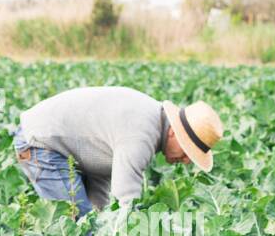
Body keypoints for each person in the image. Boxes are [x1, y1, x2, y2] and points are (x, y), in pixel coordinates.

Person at [12, 86, 223, 215]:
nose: (186, 160)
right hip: (41, 143)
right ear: (173, 133)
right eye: (187, 150)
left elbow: (99, 173)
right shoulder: (141, 135)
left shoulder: (150, 122)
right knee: (76, 228)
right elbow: (125, 202)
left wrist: (103, 220)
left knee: (90, 225)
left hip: (58, 144)